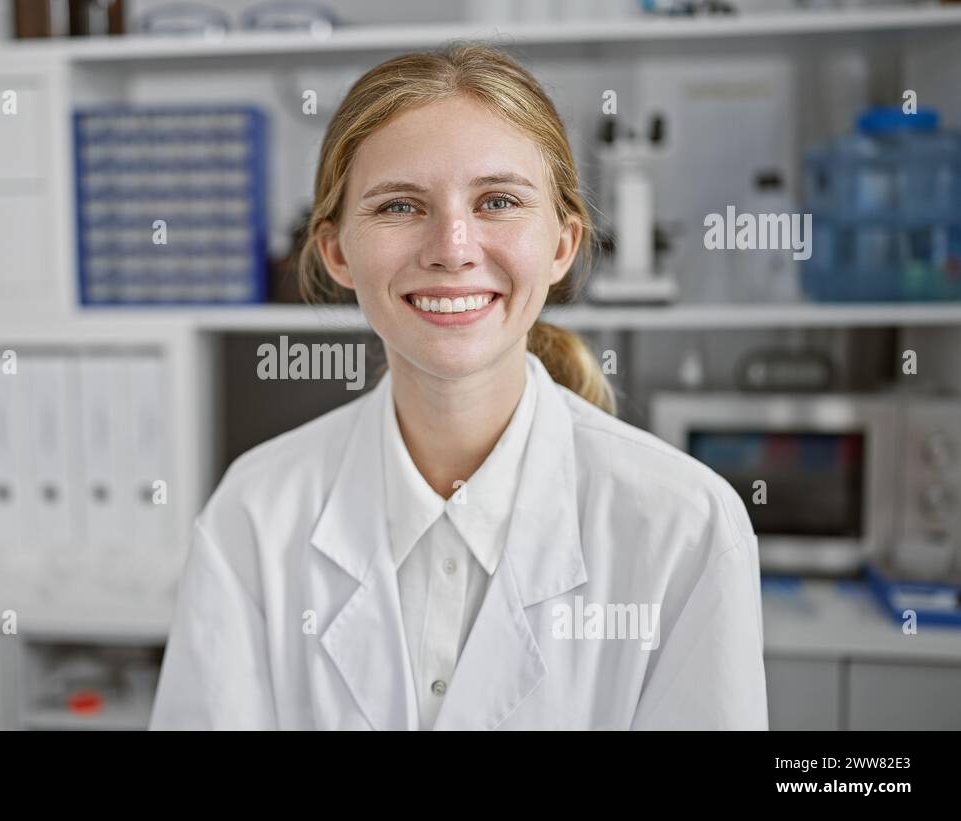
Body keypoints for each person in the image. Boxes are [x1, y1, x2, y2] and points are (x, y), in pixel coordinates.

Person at [149, 42, 767, 730]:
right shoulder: (254, 516)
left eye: (498, 200)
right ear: (335, 250)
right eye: (399, 206)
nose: (452, 245)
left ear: (561, 244)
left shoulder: (684, 526)